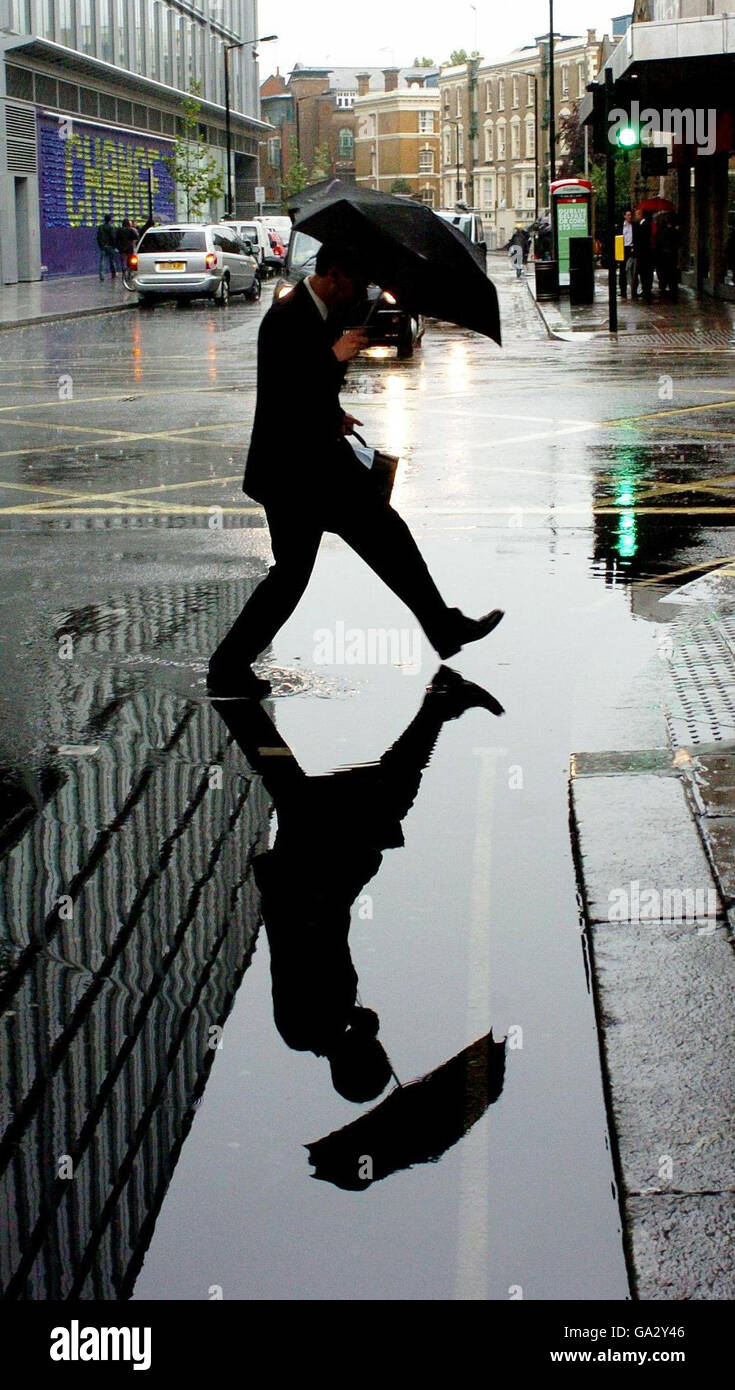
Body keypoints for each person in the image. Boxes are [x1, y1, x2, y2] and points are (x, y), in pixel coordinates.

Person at [207, 243, 504, 698]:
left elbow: (304, 397)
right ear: (335, 275)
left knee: (348, 553)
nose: (360, 290)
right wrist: (334, 357)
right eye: (356, 280)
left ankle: (228, 665)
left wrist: (334, 413)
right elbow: (285, 390)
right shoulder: (288, 315)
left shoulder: (317, 311)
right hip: (297, 474)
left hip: (310, 466)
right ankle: (443, 628)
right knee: (366, 545)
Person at [213, 665, 503, 1099]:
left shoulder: (314, 1027)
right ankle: (235, 699)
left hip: (311, 878)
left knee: (385, 794)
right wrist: (355, 1017)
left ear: (360, 1060)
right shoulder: (313, 1031)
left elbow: (315, 944)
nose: (379, 1048)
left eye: (375, 1055)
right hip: (304, 879)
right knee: (295, 786)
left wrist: (356, 1017)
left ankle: (441, 700)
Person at [632, 209, 653, 302]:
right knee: (643, 274)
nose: (635, 216)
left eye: (636, 214)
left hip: (644, 255)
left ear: (640, 215)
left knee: (645, 274)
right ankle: (645, 291)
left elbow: (641, 241)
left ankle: (646, 292)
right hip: (643, 255)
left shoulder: (645, 225)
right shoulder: (640, 225)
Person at [96, 213, 117, 282]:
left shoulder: (100, 227)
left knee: (102, 262)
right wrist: (114, 246)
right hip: (110, 246)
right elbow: (113, 237)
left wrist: (100, 245)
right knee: (112, 261)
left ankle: (102, 276)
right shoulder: (111, 227)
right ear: (110, 220)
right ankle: (113, 273)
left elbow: (98, 237)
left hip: (103, 246)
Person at [619, 209, 634, 299]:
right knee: (622, 270)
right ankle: (623, 291)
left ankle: (633, 290)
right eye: (628, 215)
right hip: (623, 248)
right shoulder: (621, 227)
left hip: (631, 248)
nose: (630, 217)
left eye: (630, 215)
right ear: (624, 216)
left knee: (632, 269)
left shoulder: (634, 226)